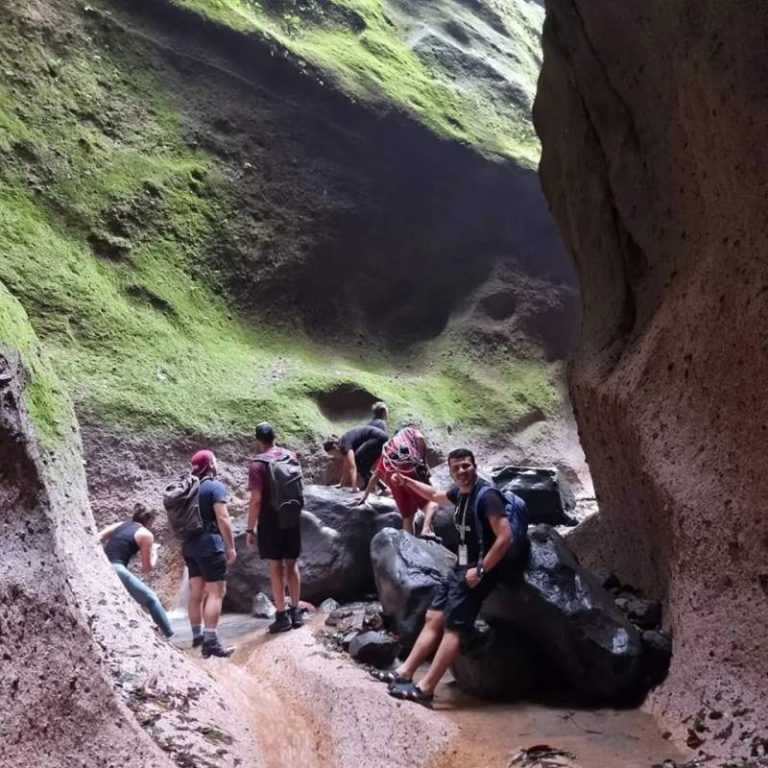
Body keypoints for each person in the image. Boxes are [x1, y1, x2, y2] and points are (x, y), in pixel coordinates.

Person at [373, 448, 527, 706]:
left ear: (474, 466)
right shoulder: (461, 494)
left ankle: (426, 689)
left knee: (454, 627)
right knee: (433, 616)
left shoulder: (487, 496)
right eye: (456, 469)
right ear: (451, 472)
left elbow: (505, 537)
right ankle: (404, 672)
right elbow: (435, 495)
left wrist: (481, 570)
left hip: (478, 571)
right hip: (460, 567)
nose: (462, 472)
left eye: (466, 466)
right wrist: (407, 481)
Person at [246, 422, 304, 634]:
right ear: (274, 437)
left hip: (271, 522)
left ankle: (282, 617)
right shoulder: (290, 456)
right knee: (292, 565)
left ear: (258, 440)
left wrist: (250, 529)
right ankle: (296, 612)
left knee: (275, 568)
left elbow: (255, 501)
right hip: (293, 517)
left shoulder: (257, 465)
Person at [184, 449, 237, 658]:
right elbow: (223, 518)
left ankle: (197, 637)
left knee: (197, 593)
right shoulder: (214, 487)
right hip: (209, 544)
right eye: (215, 461)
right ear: (211, 465)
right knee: (217, 592)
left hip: (189, 545)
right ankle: (211, 643)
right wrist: (231, 546)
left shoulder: (188, 489)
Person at [100, 505, 174, 638]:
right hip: (117, 568)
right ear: (149, 522)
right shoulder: (146, 535)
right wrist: (154, 553)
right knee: (151, 599)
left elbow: (98, 537)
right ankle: (170, 634)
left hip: (101, 565)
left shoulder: (120, 525)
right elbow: (146, 569)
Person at [358, 425, 437, 536]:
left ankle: (409, 545)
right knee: (431, 503)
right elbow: (420, 438)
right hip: (409, 468)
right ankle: (427, 531)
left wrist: (365, 495)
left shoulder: (389, 448)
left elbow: (376, 474)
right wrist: (424, 460)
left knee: (408, 517)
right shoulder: (410, 431)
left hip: (393, 477)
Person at [323, 424, 388, 490]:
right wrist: (341, 484)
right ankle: (383, 486)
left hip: (378, 438)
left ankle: (368, 484)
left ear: (334, 447)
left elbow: (352, 467)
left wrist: (354, 488)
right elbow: (346, 467)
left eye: (332, 453)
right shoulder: (343, 444)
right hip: (381, 439)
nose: (334, 456)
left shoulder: (344, 445)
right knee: (364, 468)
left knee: (356, 461)